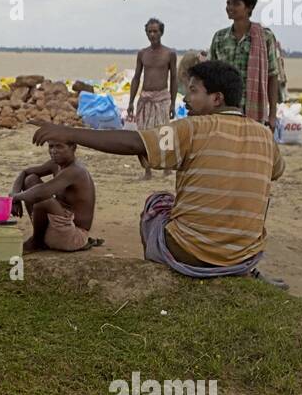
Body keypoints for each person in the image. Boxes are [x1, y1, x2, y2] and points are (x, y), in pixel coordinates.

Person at [30, 59, 285, 283]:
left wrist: (70, 133)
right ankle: (243, 267)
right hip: (243, 257)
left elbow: (134, 142)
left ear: (216, 99)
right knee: (259, 190)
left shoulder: (192, 128)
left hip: (190, 253)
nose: (185, 98)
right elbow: (274, 172)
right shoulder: (265, 135)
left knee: (158, 202)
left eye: (193, 91)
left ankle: (157, 271)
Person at [208, 0, 280, 128]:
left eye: (236, 4)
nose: (230, 7)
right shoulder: (219, 37)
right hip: (224, 109)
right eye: (228, 3)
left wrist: (272, 115)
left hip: (252, 110)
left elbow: (272, 76)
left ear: (249, 8)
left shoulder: (265, 37)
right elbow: (211, 77)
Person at [9, 140, 100, 252]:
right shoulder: (55, 164)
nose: (53, 151)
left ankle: (37, 242)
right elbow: (25, 172)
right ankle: (40, 238)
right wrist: (14, 197)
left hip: (74, 236)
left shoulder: (75, 171)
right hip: (57, 226)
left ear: (73, 148)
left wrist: (15, 197)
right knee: (30, 179)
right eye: (51, 146)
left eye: (59, 146)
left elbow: (41, 193)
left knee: (43, 200)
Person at [126, 18, 178, 180]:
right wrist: (130, 102)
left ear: (161, 32)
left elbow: (174, 79)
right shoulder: (142, 54)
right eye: (149, 31)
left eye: (155, 31)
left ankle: (167, 168)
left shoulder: (169, 54)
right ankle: (147, 170)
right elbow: (136, 78)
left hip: (162, 98)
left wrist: (173, 104)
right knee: (143, 135)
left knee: (164, 134)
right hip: (145, 98)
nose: (152, 34)